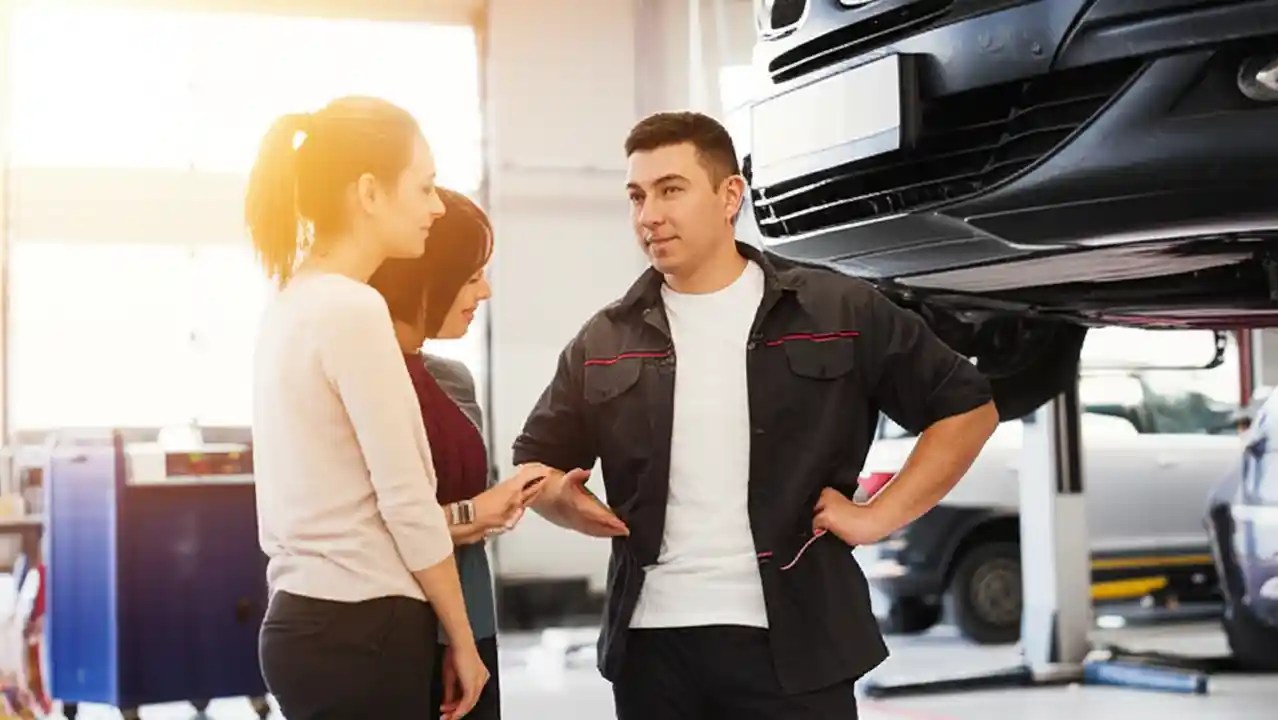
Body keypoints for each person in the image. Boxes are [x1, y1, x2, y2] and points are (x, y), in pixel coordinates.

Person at [513, 111, 1000, 719]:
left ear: (729, 196)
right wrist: (563, 501)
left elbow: (967, 408)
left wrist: (880, 517)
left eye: (671, 189)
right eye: (637, 196)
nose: (649, 215)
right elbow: (535, 461)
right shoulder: (607, 335)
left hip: (795, 643)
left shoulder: (836, 309)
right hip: (651, 648)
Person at [245, 96, 498, 720]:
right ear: (368, 193)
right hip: (366, 627)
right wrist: (463, 641)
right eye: (425, 186)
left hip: (300, 621)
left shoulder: (289, 301)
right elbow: (407, 501)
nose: (436, 208)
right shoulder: (355, 311)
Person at [368, 187, 542, 720]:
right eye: (470, 277)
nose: (485, 291)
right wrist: (471, 515)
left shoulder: (453, 381)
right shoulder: (363, 378)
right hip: (394, 634)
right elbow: (369, 531)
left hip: (471, 628)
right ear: (423, 279)